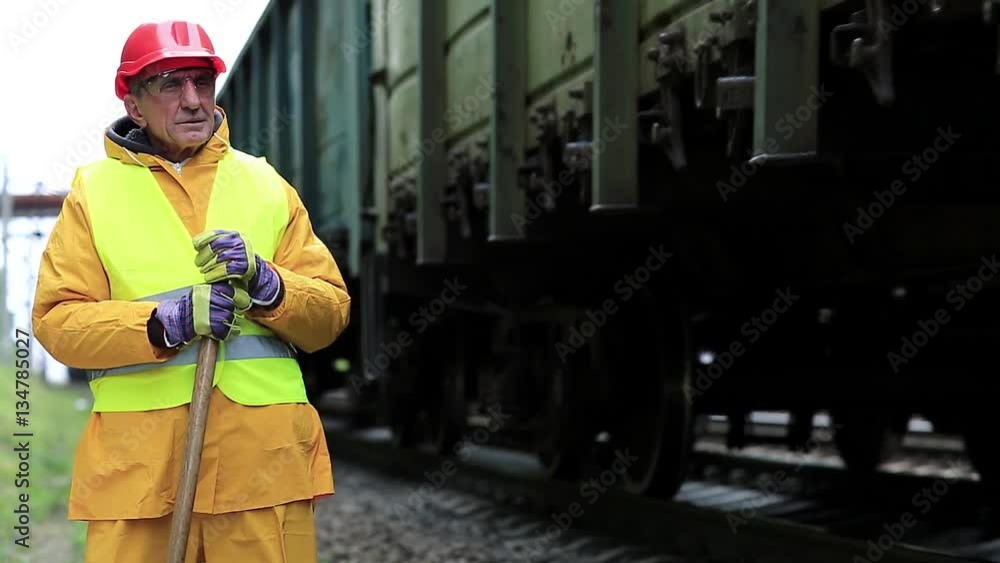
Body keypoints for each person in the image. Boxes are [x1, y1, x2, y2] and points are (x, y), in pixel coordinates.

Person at [31, 20, 351, 562]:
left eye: (202, 82)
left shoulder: (266, 185)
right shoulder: (94, 194)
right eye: (170, 84)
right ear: (134, 104)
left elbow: (330, 315)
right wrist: (162, 323)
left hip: (261, 471)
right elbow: (59, 323)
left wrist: (268, 283)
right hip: (141, 481)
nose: (193, 100)